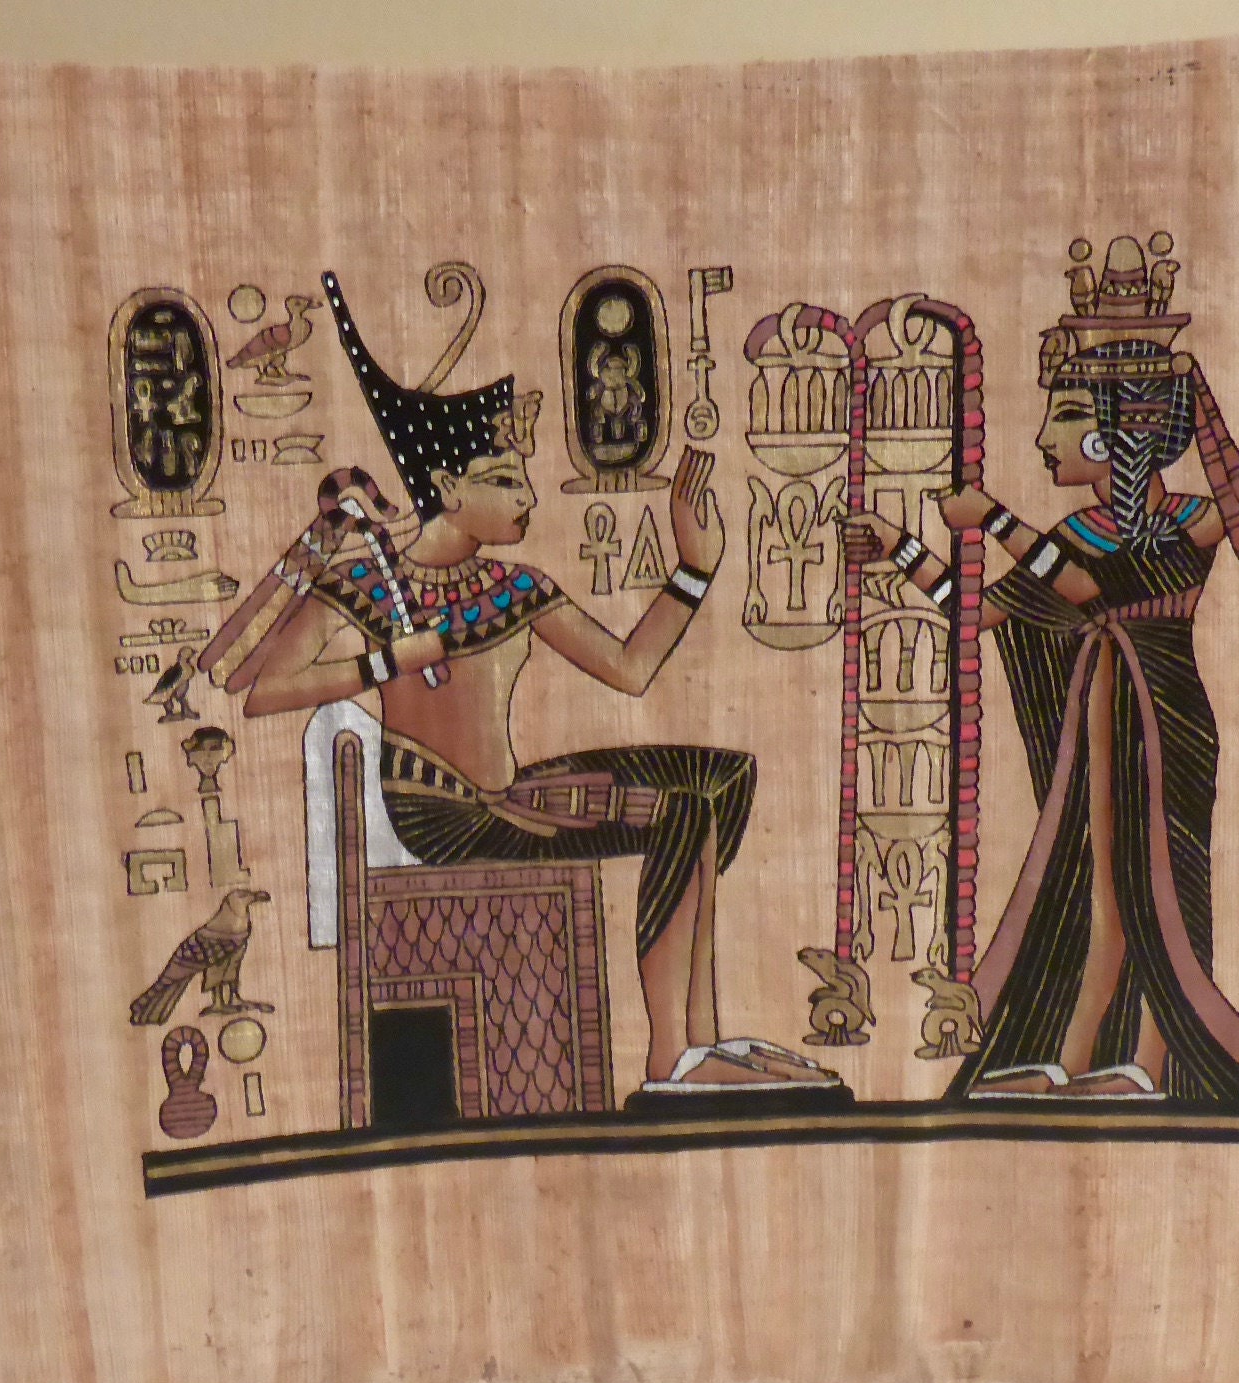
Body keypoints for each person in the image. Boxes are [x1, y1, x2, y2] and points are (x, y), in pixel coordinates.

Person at [230, 271, 840, 1103]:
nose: (528, 496)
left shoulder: (514, 584)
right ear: (448, 489)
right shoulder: (366, 582)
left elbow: (629, 669)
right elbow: (264, 690)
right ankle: (670, 1057)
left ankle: (704, 1034)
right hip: (445, 814)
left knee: (719, 778)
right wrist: (386, 662)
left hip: (504, 795)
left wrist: (693, 569)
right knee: (677, 814)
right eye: (504, 479)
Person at [844, 235, 1239, 1101]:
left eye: (1065, 417)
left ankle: (1148, 1063)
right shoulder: (1072, 531)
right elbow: (980, 614)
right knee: (1101, 893)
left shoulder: (1193, 522)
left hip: (1166, 715)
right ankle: (1072, 1055)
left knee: (1161, 894)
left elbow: (1096, 587)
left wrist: (994, 520)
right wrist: (901, 549)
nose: (1043, 438)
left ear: (1118, 432)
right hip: (1100, 705)